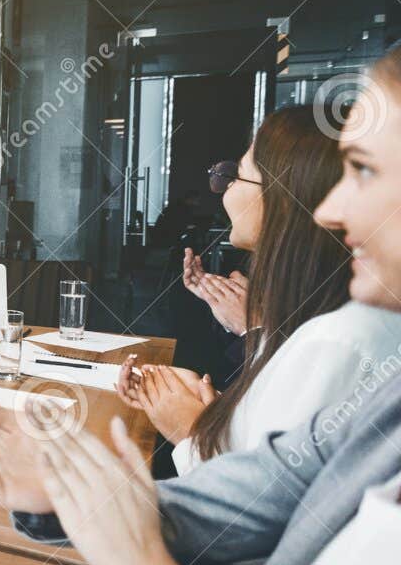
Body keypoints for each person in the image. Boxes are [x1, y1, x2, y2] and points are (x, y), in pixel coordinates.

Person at [0, 46, 401, 565]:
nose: (334, 210)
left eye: (364, 171)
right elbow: (275, 485)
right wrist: (67, 488)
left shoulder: (351, 343)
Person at [115, 106, 400, 475]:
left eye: (236, 176)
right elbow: (269, 434)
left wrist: (190, 430)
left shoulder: (335, 341)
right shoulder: (319, 322)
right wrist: (208, 406)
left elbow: (260, 498)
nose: (224, 191)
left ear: (287, 198)